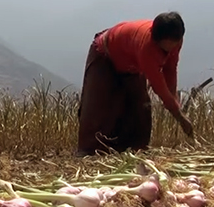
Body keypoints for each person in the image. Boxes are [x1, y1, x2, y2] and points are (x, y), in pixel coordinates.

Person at [76, 11, 194, 156]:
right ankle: (88, 153)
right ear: (159, 40)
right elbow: (159, 87)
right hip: (105, 54)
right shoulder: (147, 48)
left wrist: (175, 101)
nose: (173, 47)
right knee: (98, 105)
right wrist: (179, 116)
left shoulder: (176, 40)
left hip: (130, 64)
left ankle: (135, 149)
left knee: (140, 106)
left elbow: (170, 69)